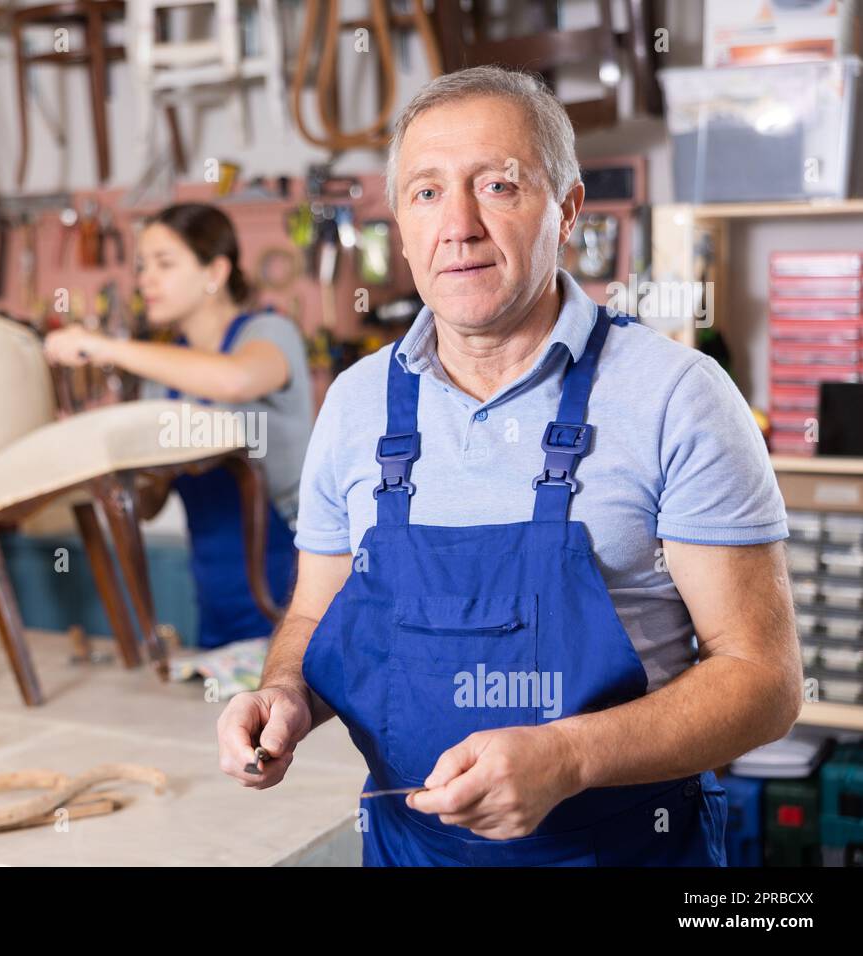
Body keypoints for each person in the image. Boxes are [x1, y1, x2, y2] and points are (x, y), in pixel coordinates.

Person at [217, 66, 802, 866]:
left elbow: (763, 681)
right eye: (426, 193)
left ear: (565, 211)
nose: (457, 225)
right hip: (407, 849)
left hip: (623, 850)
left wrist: (569, 757)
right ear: (400, 220)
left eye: (497, 185)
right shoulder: (354, 404)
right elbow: (318, 619)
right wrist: (285, 694)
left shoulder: (679, 397)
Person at [43, 203, 313, 648]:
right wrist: (101, 452)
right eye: (141, 266)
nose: (145, 279)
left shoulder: (267, 334)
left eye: (164, 264)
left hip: (297, 590)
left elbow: (234, 379)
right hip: (215, 601)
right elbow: (148, 504)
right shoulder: (160, 384)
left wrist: (102, 346)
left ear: (215, 271)